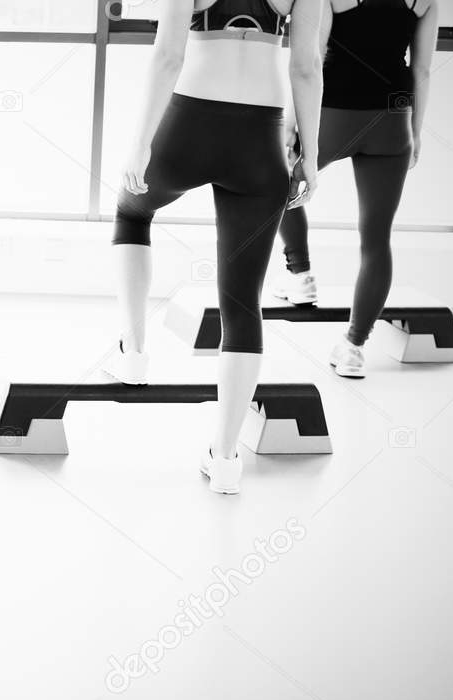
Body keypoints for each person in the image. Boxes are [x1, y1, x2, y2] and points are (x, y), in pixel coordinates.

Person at [107, 0, 325, 495]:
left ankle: (135, 351)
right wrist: (310, 156)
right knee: (243, 301)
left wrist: (141, 144)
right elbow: (307, 67)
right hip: (260, 139)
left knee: (132, 212)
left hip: (189, 125)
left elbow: (168, 55)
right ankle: (225, 460)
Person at [273, 0, 437, 379]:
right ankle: (354, 347)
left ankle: (301, 275)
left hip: (333, 113)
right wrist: (416, 130)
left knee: (280, 185)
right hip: (392, 122)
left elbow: (311, 59)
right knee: (377, 239)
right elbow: (423, 69)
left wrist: (292, 124)